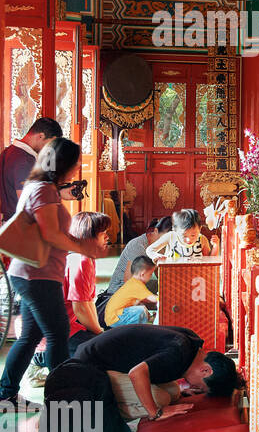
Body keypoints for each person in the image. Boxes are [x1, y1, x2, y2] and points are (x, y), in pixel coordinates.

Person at [0, 139, 106, 409]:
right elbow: (51, 234)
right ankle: (61, 398)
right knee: (58, 334)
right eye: (75, 163)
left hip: (33, 273)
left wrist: (62, 194)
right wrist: (84, 247)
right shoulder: (44, 190)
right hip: (37, 276)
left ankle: (6, 394)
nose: (78, 167)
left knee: (31, 337)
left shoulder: (43, 187)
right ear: (63, 164)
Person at [68, 324, 242, 421]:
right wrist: (156, 412)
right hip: (91, 370)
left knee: (174, 392)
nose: (196, 387)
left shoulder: (192, 344)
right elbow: (137, 373)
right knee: (161, 399)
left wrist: (181, 392)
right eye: (201, 387)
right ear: (206, 370)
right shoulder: (177, 353)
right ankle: (103, 416)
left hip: (107, 361)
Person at [65, 211, 112, 357]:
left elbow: (89, 303)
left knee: (111, 340)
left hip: (71, 327)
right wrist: (99, 333)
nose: (107, 237)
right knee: (107, 351)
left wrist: (98, 331)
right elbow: (80, 308)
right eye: (102, 232)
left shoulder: (88, 259)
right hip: (59, 335)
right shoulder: (81, 260)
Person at [0, 117, 62, 220]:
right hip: (20, 228)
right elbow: (28, 205)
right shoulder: (24, 161)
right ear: (41, 136)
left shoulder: (9, 151)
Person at [104, 216, 170, 298]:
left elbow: (159, 274)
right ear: (155, 231)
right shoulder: (138, 246)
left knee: (170, 288)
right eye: (165, 238)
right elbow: (128, 281)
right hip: (120, 291)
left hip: (140, 285)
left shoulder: (160, 245)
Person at [104, 256, 157, 327]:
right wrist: (165, 298)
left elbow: (146, 299)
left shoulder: (132, 282)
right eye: (150, 274)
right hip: (115, 318)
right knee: (141, 310)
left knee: (141, 306)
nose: (150, 277)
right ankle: (139, 331)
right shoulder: (137, 285)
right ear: (142, 274)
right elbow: (153, 299)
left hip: (112, 316)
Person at [146, 208, 211, 262]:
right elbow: (149, 250)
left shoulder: (202, 239)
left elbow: (209, 259)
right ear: (175, 230)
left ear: (200, 229)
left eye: (193, 235)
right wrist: (156, 256)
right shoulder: (171, 236)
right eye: (184, 236)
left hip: (195, 274)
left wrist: (216, 246)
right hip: (172, 273)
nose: (189, 239)